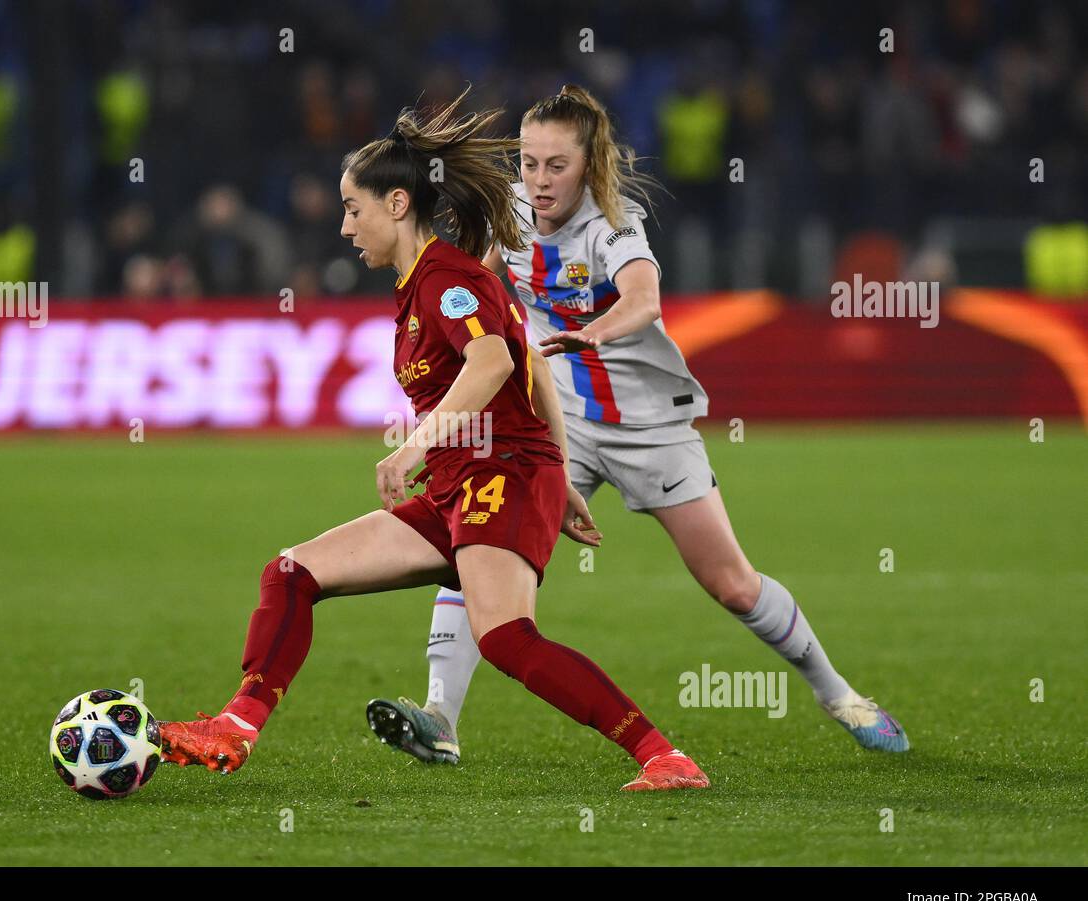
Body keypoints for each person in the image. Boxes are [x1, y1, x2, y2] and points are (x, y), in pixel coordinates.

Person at [157, 90, 710, 792]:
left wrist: (420, 445)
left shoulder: (448, 282)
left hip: (499, 473)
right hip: (466, 483)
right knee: (290, 574)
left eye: (353, 208)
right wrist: (562, 470)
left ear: (396, 204)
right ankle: (233, 730)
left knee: (506, 638)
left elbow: (496, 363)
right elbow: (534, 364)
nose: (344, 226)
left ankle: (665, 758)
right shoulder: (425, 282)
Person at [368, 85, 909, 766]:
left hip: (648, 426)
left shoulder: (613, 222)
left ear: (589, 165)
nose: (538, 180)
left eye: (555, 166)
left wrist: (594, 332)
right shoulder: (511, 213)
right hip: (554, 419)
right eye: (529, 163)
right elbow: (466, 281)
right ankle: (440, 716)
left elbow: (644, 299)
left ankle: (841, 696)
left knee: (732, 584)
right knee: (475, 541)